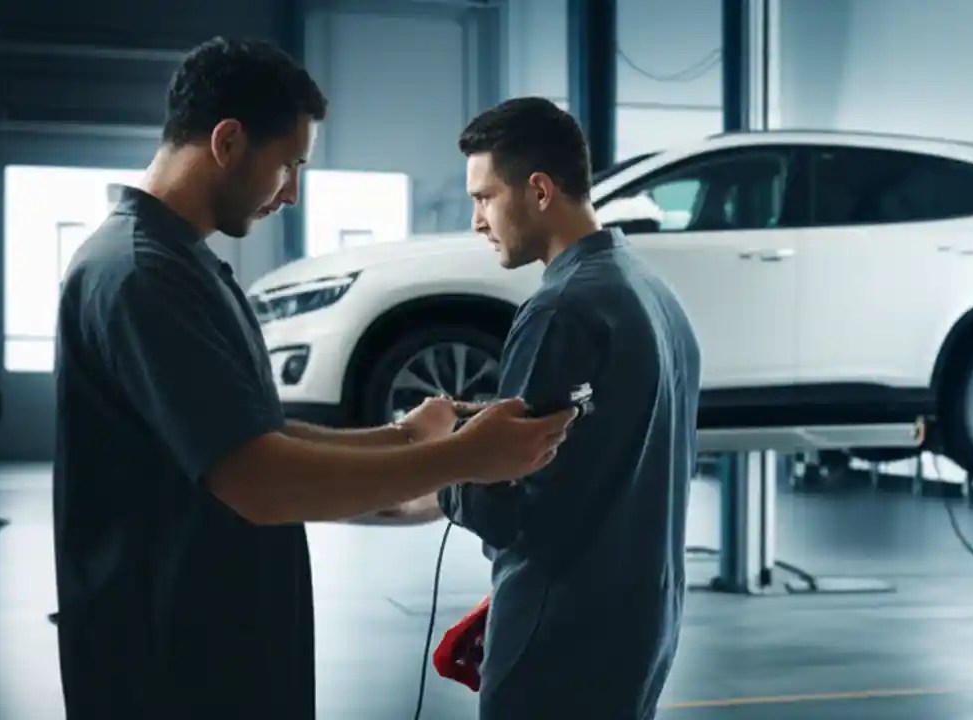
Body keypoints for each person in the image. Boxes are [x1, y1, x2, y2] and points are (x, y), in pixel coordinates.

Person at [52, 39, 575, 720]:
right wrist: (467, 458)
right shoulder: (141, 275)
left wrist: (403, 438)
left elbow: (257, 437)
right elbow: (259, 483)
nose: (292, 193)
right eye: (290, 164)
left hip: (212, 652)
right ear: (228, 141)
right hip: (172, 669)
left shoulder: (180, 265)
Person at [390, 97, 703, 719]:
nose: (477, 220)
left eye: (483, 198)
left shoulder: (562, 309)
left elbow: (515, 512)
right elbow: (604, 445)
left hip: (560, 627)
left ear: (538, 190)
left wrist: (444, 462)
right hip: (642, 620)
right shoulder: (650, 293)